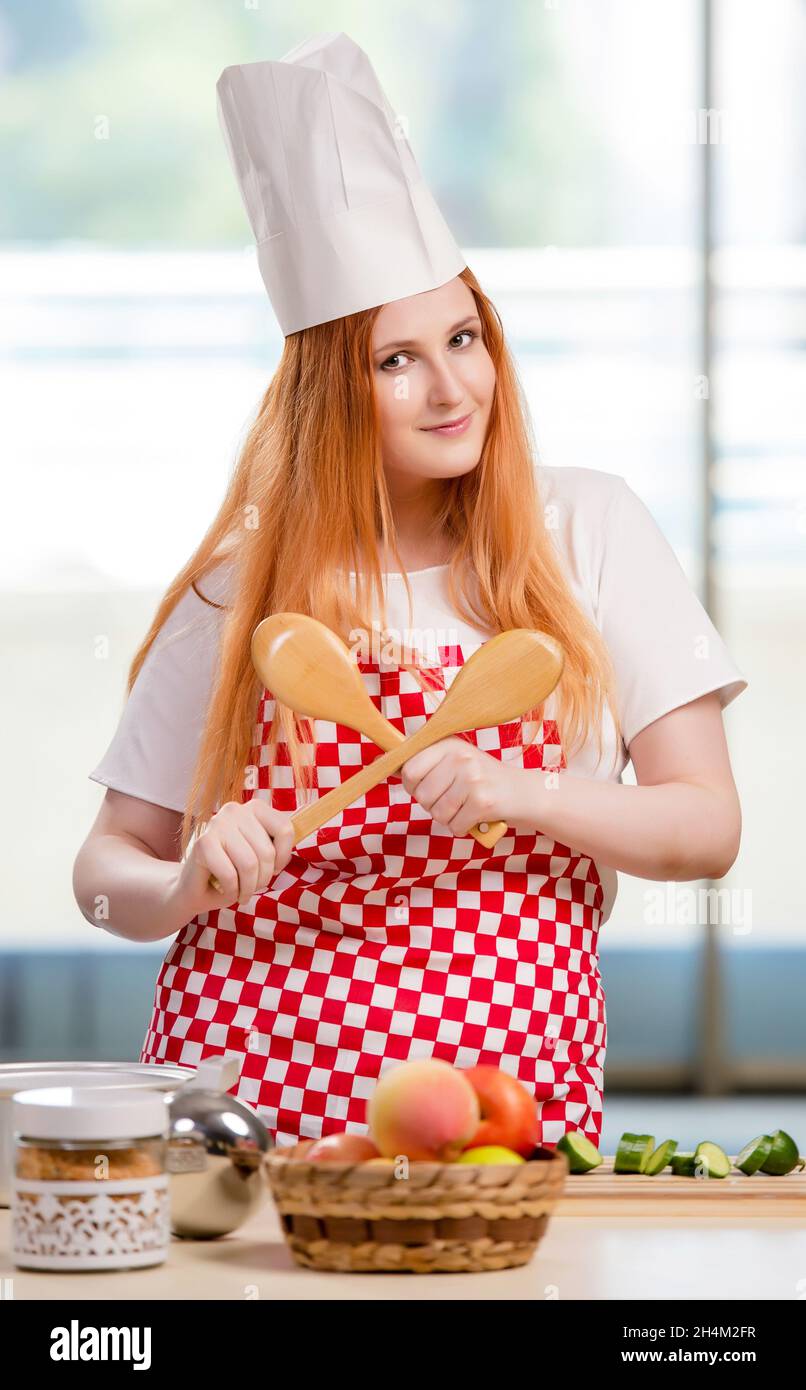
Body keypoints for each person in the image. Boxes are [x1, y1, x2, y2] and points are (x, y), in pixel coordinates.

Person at [73, 33, 748, 1150]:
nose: (451, 388)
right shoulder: (240, 590)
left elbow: (704, 827)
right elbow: (103, 879)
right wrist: (186, 880)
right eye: (396, 360)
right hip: (244, 1101)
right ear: (333, 394)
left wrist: (519, 793)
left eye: (463, 338)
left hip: (498, 1106)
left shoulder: (587, 530)